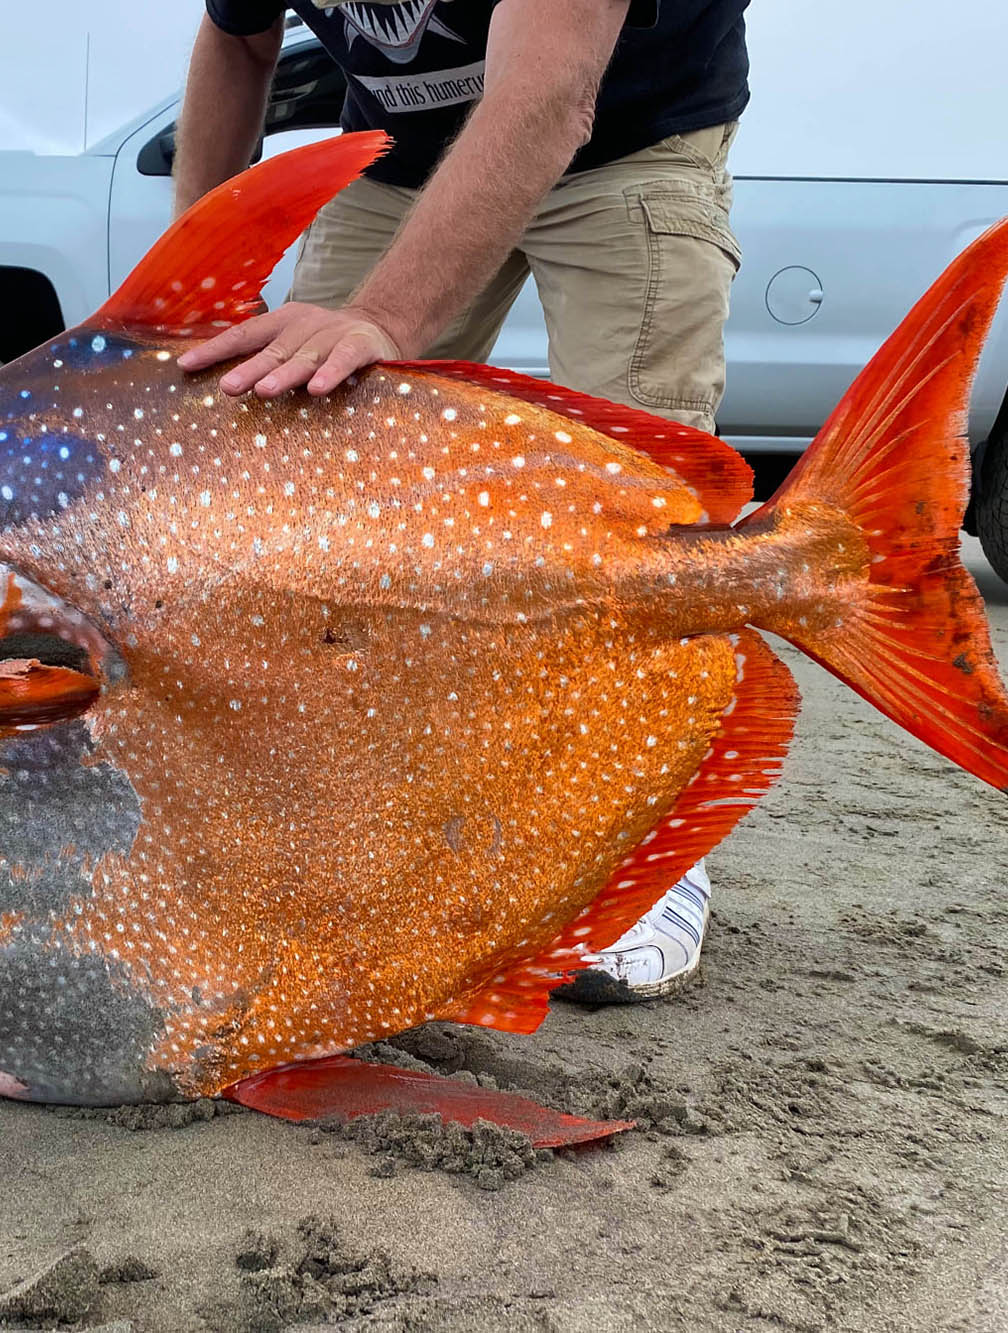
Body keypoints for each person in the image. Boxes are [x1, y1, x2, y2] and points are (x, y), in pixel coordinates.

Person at [173, 0, 750, 1000]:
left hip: (628, 130)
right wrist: (205, 282)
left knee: (638, 506)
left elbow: (549, 92)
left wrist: (384, 317)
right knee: (296, 481)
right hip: (403, 162)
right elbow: (237, 38)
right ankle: (354, 832)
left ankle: (643, 854)